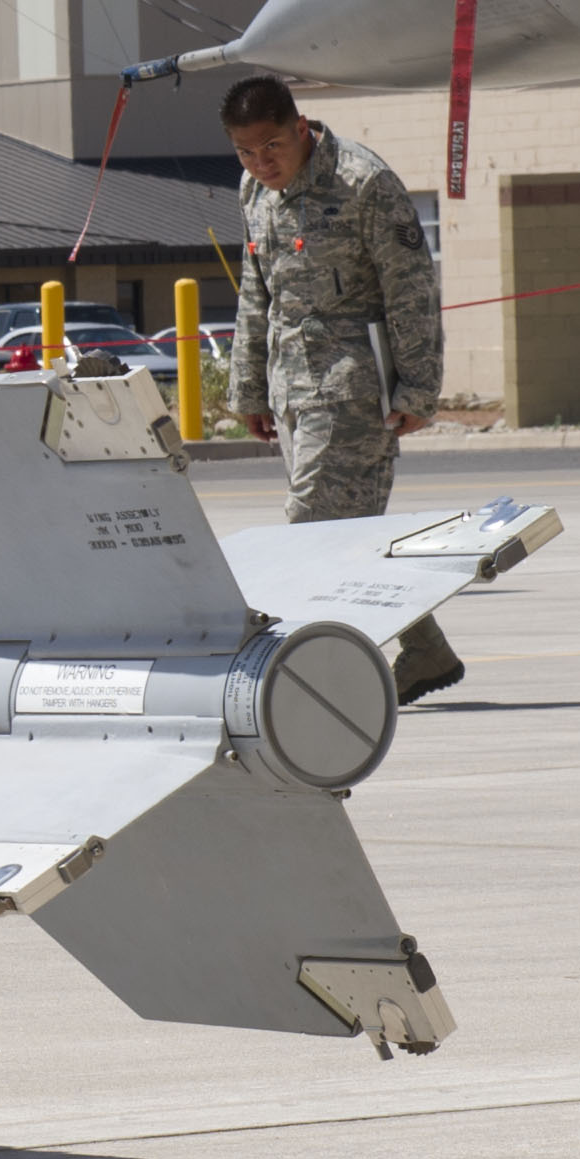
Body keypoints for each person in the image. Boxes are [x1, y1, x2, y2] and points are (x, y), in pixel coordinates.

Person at [226, 75, 458, 704]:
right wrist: (248, 389)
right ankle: (426, 651)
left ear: (301, 128)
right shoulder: (254, 191)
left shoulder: (362, 183)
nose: (260, 162)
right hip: (291, 391)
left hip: (353, 389)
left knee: (306, 533)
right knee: (346, 535)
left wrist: (417, 388)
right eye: (246, 152)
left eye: (271, 146)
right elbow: (257, 292)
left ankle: (292, 682)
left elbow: (411, 287)